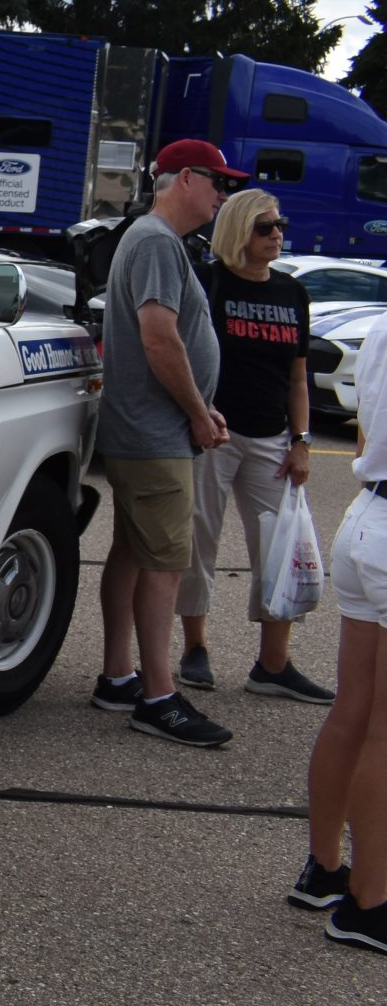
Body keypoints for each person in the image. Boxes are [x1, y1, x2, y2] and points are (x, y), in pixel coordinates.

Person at [94, 138, 246, 747]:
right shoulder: (157, 241)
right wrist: (197, 414)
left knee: (132, 554)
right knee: (164, 566)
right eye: (217, 182)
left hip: (150, 430)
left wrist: (200, 405)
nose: (223, 194)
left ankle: (117, 676)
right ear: (185, 178)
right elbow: (159, 338)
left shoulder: (157, 241)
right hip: (155, 435)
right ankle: (158, 696)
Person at [175, 188, 332, 702]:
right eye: (265, 226)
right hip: (214, 433)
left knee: (279, 550)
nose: (277, 234)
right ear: (240, 229)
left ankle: (272, 664)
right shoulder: (210, 282)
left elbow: (298, 379)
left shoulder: (292, 293)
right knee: (199, 543)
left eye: (280, 224)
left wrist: (302, 441)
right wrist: (198, 415)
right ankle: (195, 649)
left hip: (272, 438)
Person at [300, 326, 387, 954]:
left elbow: (364, 426)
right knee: (382, 728)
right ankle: (369, 904)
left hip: (366, 518)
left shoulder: (381, 326)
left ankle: (326, 868)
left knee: (352, 710)